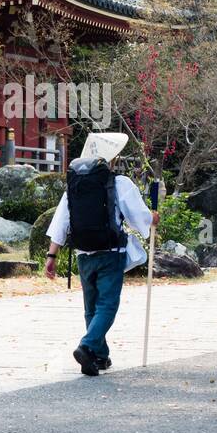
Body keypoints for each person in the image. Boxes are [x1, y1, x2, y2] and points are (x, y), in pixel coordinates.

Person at [44, 132, 158, 376]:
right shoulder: (119, 183)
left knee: (91, 306)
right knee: (107, 305)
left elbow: (61, 221)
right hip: (110, 253)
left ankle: (98, 356)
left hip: (83, 255)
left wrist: (51, 256)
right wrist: (152, 220)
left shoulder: (74, 185)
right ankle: (87, 346)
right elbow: (139, 218)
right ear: (112, 159)